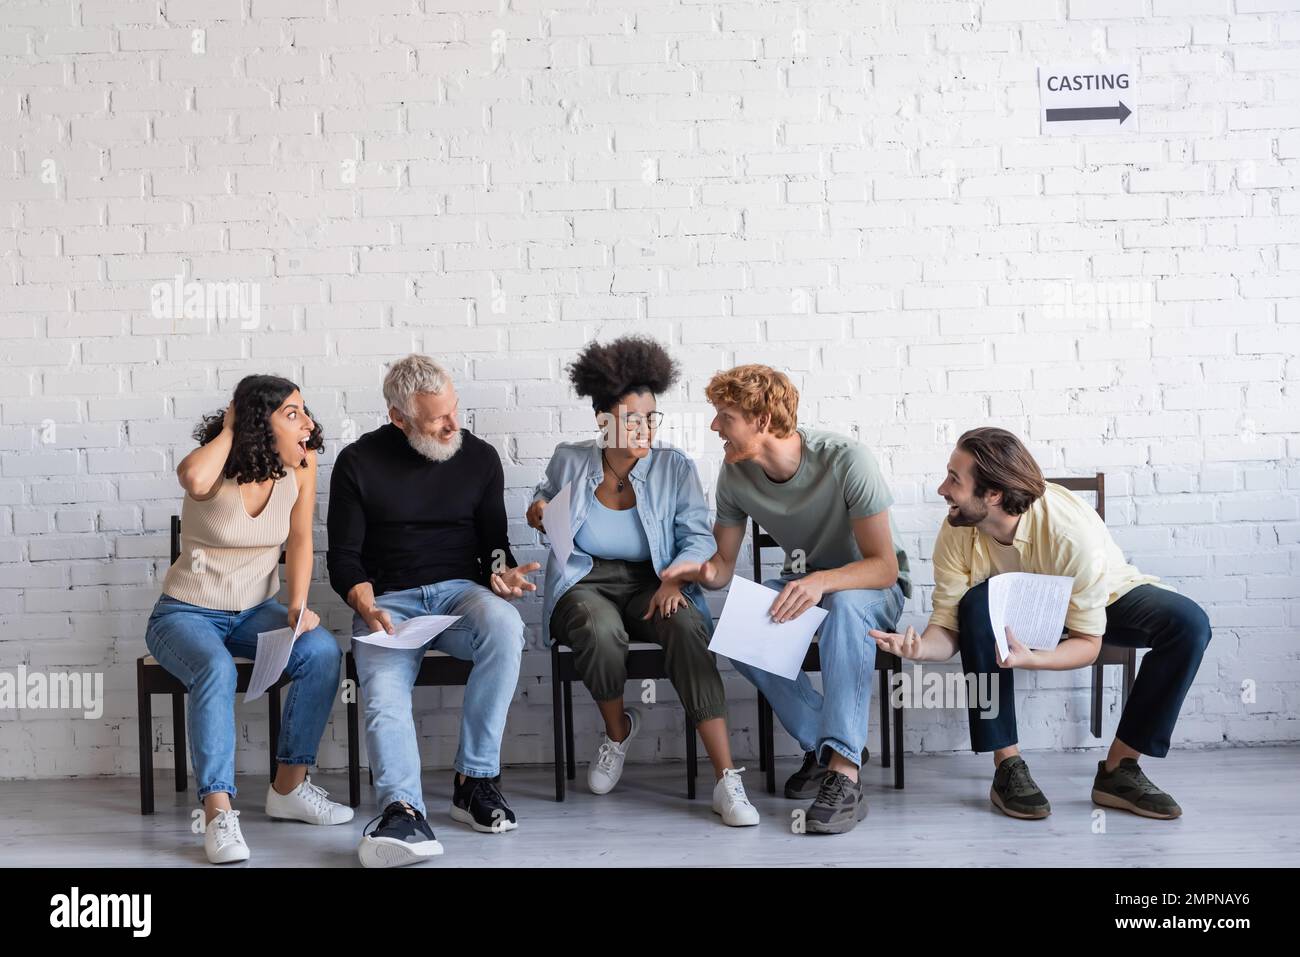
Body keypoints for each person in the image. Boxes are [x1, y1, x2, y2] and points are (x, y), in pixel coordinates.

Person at [871, 427, 1211, 820]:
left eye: (954, 479)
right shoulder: (956, 529)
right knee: (977, 604)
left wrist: (1032, 659)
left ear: (994, 494)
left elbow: (1088, 641)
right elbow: (949, 627)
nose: (941, 488)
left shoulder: (1069, 535)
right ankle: (1007, 765)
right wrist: (919, 649)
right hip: (1021, 611)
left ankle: (1120, 770)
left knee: (1190, 624)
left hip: (1100, 598)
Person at [665, 364, 910, 835]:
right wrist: (690, 571)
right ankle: (834, 744)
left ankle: (843, 775)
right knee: (737, 628)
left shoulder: (846, 460)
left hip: (872, 590)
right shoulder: (736, 474)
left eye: (725, 416)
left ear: (761, 419)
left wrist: (821, 581)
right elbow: (721, 568)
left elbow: (885, 566)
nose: (715, 426)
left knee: (845, 607)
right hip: (807, 584)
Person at [528, 336, 759, 826]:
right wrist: (538, 510)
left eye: (651, 418)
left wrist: (676, 579)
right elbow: (543, 502)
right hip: (586, 579)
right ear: (603, 420)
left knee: (685, 628)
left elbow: (697, 537)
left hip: (655, 581)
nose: (645, 428)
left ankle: (726, 779)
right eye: (632, 419)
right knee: (596, 629)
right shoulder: (569, 458)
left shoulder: (674, 466)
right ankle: (618, 732)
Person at [327, 354, 540, 868]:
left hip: (460, 595)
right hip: (389, 604)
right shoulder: (358, 462)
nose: (453, 425)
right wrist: (364, 602)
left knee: (506, 626)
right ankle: (403, 810)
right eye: (437, 419)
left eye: (455, 410)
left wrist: (501, 574)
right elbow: (343, 559)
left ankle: (475, 781)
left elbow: (494, 545)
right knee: (381, 689)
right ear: (398, 418)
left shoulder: (480, 458)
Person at [145, 374, 351, 865]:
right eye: (292, 414)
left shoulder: (301, 466)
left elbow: (301, 539)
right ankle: (218, 813)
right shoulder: (215, 467)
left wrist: (298, 605)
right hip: (185, 613)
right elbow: (192, 479)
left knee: (321, 651)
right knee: (213, 668)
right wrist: (234, 427)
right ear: (260, 421)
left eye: (305, 410)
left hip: (255, 612)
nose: (309, 424)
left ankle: (288, 788)